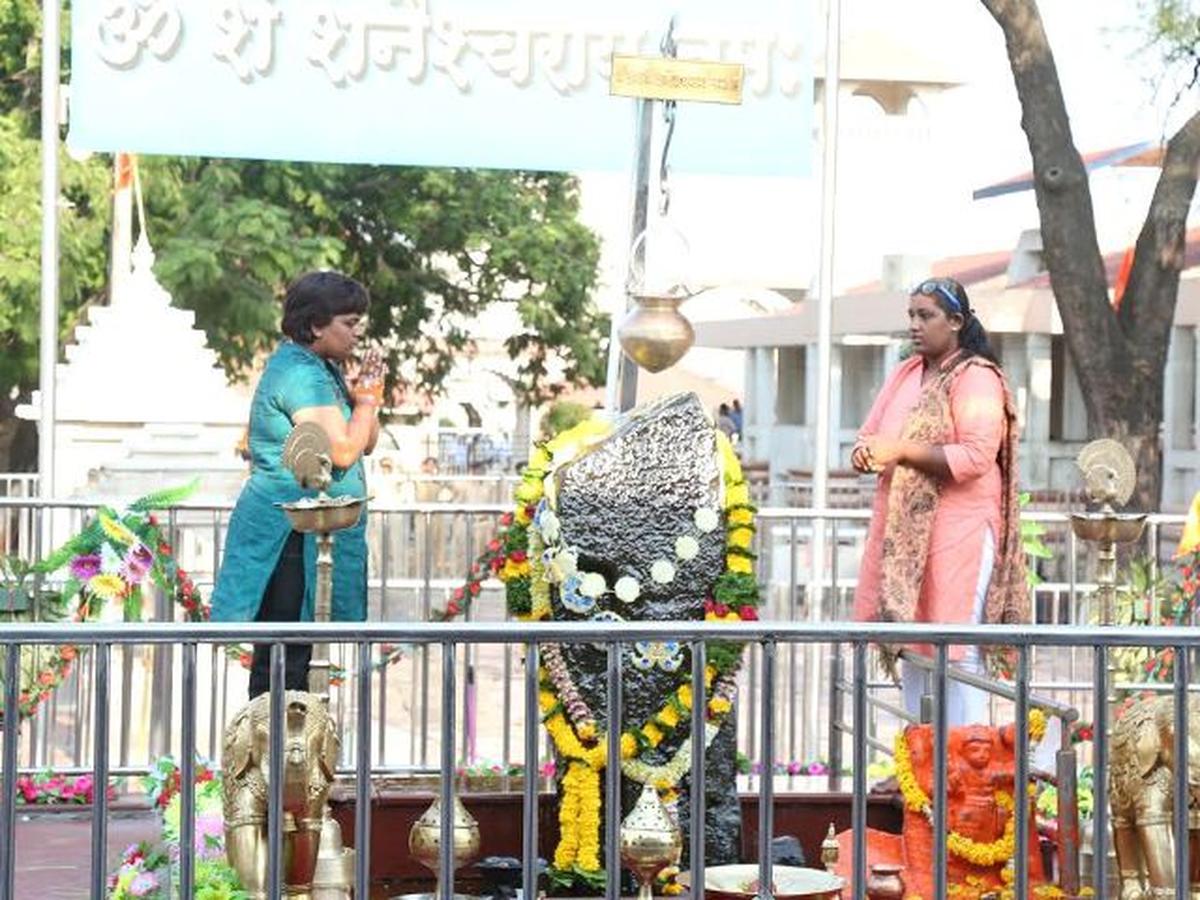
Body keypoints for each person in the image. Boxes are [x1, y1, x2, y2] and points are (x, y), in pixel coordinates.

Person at [851, 277, 1027, 726]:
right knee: (913, 647)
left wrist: (901, 451)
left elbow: (975, 456)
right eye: (911, 315)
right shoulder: (907, 372)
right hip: (904, 536)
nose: (915, 325)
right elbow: (872, 434)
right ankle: (920, 767)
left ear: (956, 322)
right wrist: (866, 453)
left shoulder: (977, 378)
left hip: (960, 531)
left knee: (957, 648)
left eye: (925, 316)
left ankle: (966, 769)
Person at [212, 271, 384, 699]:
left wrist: (366, 397)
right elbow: (342, 451)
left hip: (310, 528)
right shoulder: (299, 373)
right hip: (288, 530)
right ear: (315, 326)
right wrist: (363, 402)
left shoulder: (322, 369)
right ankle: (272, 759)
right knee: (283, 659)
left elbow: (367, 441)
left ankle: (297, 758)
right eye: (348, 322)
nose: (356, 333)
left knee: (299, 656)